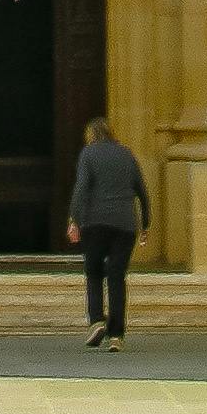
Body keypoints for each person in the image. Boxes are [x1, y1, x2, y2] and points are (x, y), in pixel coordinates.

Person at [67, 113, 149, 346]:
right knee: (116, 277)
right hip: (125, 224)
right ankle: (116, 335)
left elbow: (82, 187)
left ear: (91, 135)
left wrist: (74, 218)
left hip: (96, 222)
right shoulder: (127, 154)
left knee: (93, 272)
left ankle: (96, 321)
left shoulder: (89, 154)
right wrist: (146, 224)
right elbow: (141, 191)